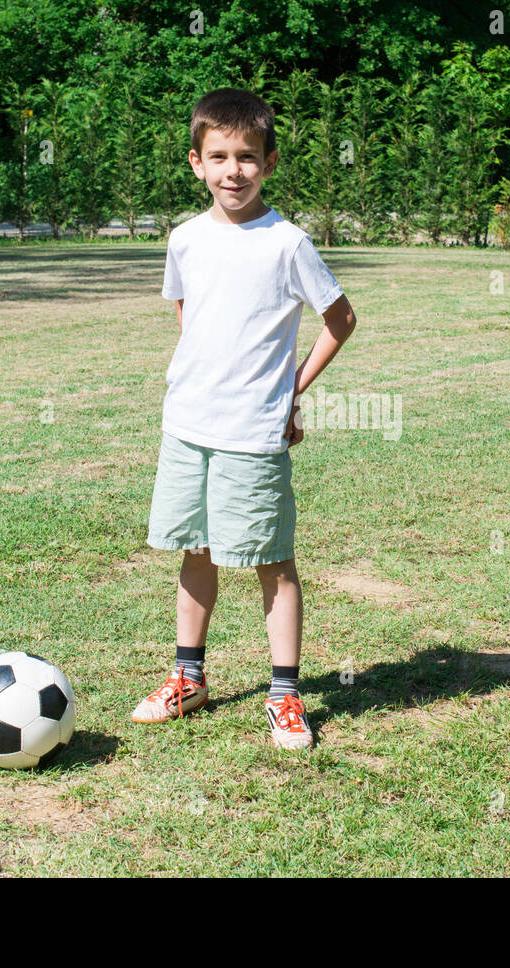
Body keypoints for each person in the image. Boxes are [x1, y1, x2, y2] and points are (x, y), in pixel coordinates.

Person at [136, 87, 358, 750]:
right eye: (220, 156)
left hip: (251, 436)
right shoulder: (185, 240)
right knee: (194, 551)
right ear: (196, 163)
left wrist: (290, 391)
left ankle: (286, 697)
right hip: (187, 426)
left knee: (272, 561)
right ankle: (188, 678)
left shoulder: (286, 243)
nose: (234, 169)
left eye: (248, 157)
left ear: (269, 161)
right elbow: (188, 315)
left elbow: (340, 320)